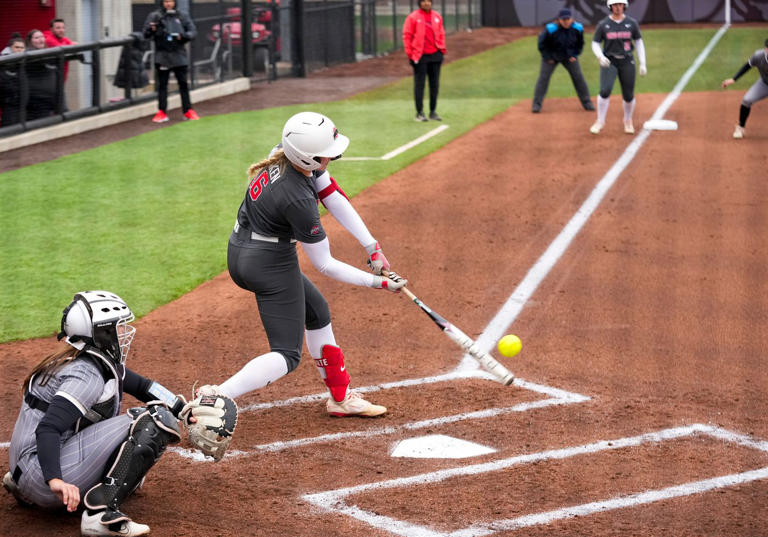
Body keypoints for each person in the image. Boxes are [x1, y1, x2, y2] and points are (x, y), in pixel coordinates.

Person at [200, 111, 406, 418]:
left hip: (244, 249)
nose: (331, 158)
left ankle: (340, 398)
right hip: (268, 264)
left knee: (317, 311)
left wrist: (371, 246)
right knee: (287, 354)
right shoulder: (297, 198)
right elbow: (325, 264)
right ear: (309, 157)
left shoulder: (284, 154)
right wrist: (379, 282)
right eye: (327, 154)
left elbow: (331, 194)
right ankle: (216, 396)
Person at [2, 291, 187, 537]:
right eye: (114, 328)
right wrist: (55, 481)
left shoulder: (82, 358)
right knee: (154, 420)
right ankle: (99, 515)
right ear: (99, 334)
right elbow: (48, 428)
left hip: (28, 470)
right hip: (43, 476)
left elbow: (144, 387)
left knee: (151, 424)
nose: (122, 334)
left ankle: (25, 486)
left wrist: (184, 410)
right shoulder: (86, 375)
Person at [589, 0, 647, 135]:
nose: (618, 7)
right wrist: (600, 57)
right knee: (605, 90)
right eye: (615, 5)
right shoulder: (603, 24)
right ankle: (600, 121)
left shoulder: (631, 23)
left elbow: (638, 42)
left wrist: (642, 62)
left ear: (624, 6)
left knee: (628, 95)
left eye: (620, 5)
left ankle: (628, 120)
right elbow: (595, 43)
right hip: (610, 61)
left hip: (627, 61)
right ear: (610, 7)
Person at [143, 0, 200, 123]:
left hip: (179, 55)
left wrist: (183, 36)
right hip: (162, 55)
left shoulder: (182, 16)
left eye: (170, 1)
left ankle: (188, 111)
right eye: (166, 1)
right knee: (162, 85)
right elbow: (146, 34)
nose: (168, 4)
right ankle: (162, 112)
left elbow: (193, 32)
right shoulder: (155, 16)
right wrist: (152, 29)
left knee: (183, 84)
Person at [532, 8, 594, 113]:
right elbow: (541, 44)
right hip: (552, 56)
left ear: (571, 19)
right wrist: (547, 57)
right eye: (563, 19)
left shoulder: (577, 28)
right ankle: (536, 104)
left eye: (568, 19)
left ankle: (587, 102)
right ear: (559, 19)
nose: (566, 21)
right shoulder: (551, 29)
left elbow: (580, 43)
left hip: (569, 57)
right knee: (543, 79)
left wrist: (575, 54)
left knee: (578, 78)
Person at [403, 0, 446, 122]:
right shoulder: (413, 17)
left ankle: (433, 111)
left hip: (435, 55)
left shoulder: (437, 16)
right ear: (420, 3)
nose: (426, 3)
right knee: (420, 85)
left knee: (434, 85)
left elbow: (441, 33)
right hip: (420, 56)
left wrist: (441, 49)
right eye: (423, 1)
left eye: (428, 1)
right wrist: (411, 54)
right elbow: (407, 36)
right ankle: (419, 113)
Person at [721, 38, 768, 139]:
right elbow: (747, 66)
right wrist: (734, 79)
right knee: (746, 100)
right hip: (764, 84)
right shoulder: (758, 56)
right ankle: (740, 128)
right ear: (766, 49)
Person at [24, 29, 58, 121]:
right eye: (36, 38)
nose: (40, 39)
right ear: (30, 40)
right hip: (37, 99)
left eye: (42, 37)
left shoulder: (49, 52)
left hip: (50, 99)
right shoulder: (28, 54)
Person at [0, 37, 25, 127]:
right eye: (16, 47)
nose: (19, 50)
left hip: (24, 107)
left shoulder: (26, 62)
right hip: (9, 108)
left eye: (22, 48)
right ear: (10, 48)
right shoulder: (3, 63)